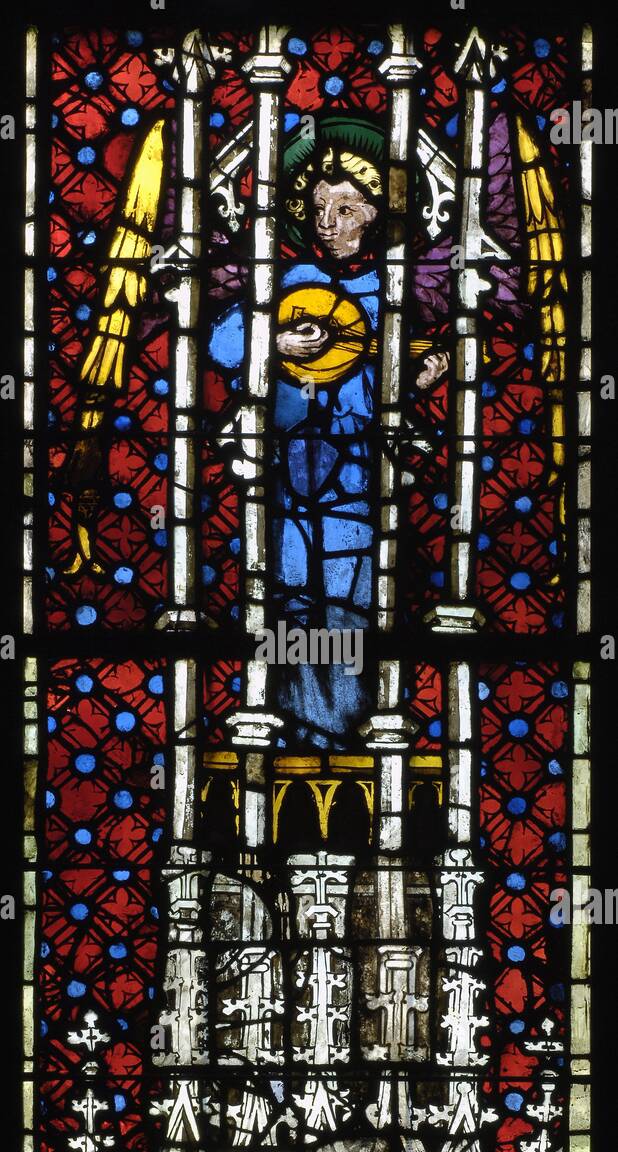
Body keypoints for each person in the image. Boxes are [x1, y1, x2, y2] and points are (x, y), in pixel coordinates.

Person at [208, 119, 447, 748]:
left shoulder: (386, 294)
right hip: (288, 479)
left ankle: (345, 728)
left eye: (344, 208)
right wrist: (274, 339)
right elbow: (222, 341)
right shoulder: (284, 285)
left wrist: (417, 375)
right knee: (288, 602)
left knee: (350, 602)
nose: (327, 221)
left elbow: (393, 381)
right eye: (317, 207)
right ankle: (295, 724)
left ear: (373, 215)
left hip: (357, 482)